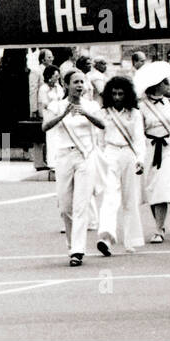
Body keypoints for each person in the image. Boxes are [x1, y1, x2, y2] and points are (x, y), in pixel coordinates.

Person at [42, 69, 105, 266]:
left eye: (82, 82)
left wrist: (86, 114)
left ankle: (78, 250)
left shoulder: (91, 105)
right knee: (65, 206)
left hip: (84, 157)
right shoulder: (56, 105)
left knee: (81, 205)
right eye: (76, 82)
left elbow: (102, 124)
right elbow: (45, 127)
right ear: (66, 84)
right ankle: (72, 244)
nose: (79, 86)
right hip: (64, 156)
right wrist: (62, 114)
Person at [136, 61, 170, 244]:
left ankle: (158, 228)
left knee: (163, 187)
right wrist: (139, 157)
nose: (169, 86)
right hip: (149, 148)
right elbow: (138, 133)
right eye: (165, 83)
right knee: (151, 189)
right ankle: (159, 224)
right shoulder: (140, 107)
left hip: (169, 148)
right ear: (157, 84)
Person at [96, 76, 145, 257]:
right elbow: (99, 140)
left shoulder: (135, 114)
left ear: (127, 95)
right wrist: (100, 160)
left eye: (121, 94)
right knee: (110, 196)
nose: (117, 97)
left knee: (130, 198)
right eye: (114, 93)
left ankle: (131, 239)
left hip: (129, 154)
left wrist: (141, 159)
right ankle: (106, 237)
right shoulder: (103, 113)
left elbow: (139, 139)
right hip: (110, 153)